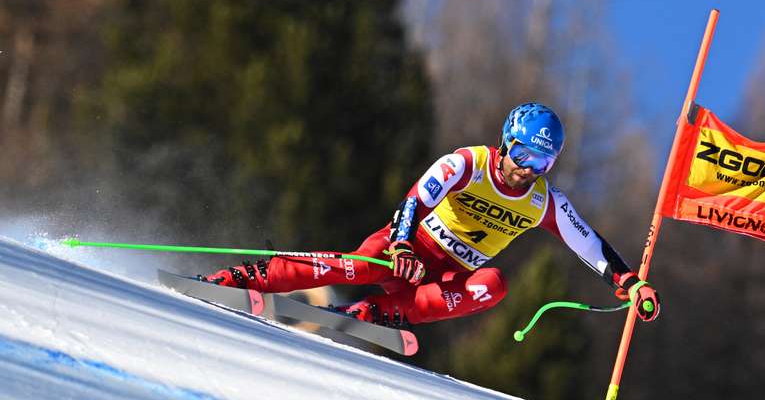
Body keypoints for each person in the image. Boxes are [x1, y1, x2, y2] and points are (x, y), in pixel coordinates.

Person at [204, 103, 660, 327]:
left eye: (540, 163)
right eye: (522, 154)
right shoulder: (466, 163)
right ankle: (248, 277)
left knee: (493, 286)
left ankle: (372, 315)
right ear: (507, 143)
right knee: (362, 264)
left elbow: (591, 245)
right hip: (408, 247)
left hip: (445, 276)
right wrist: (402, 244)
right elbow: (414, 200)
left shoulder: (544, 202)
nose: (526, 169)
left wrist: (629, 281)